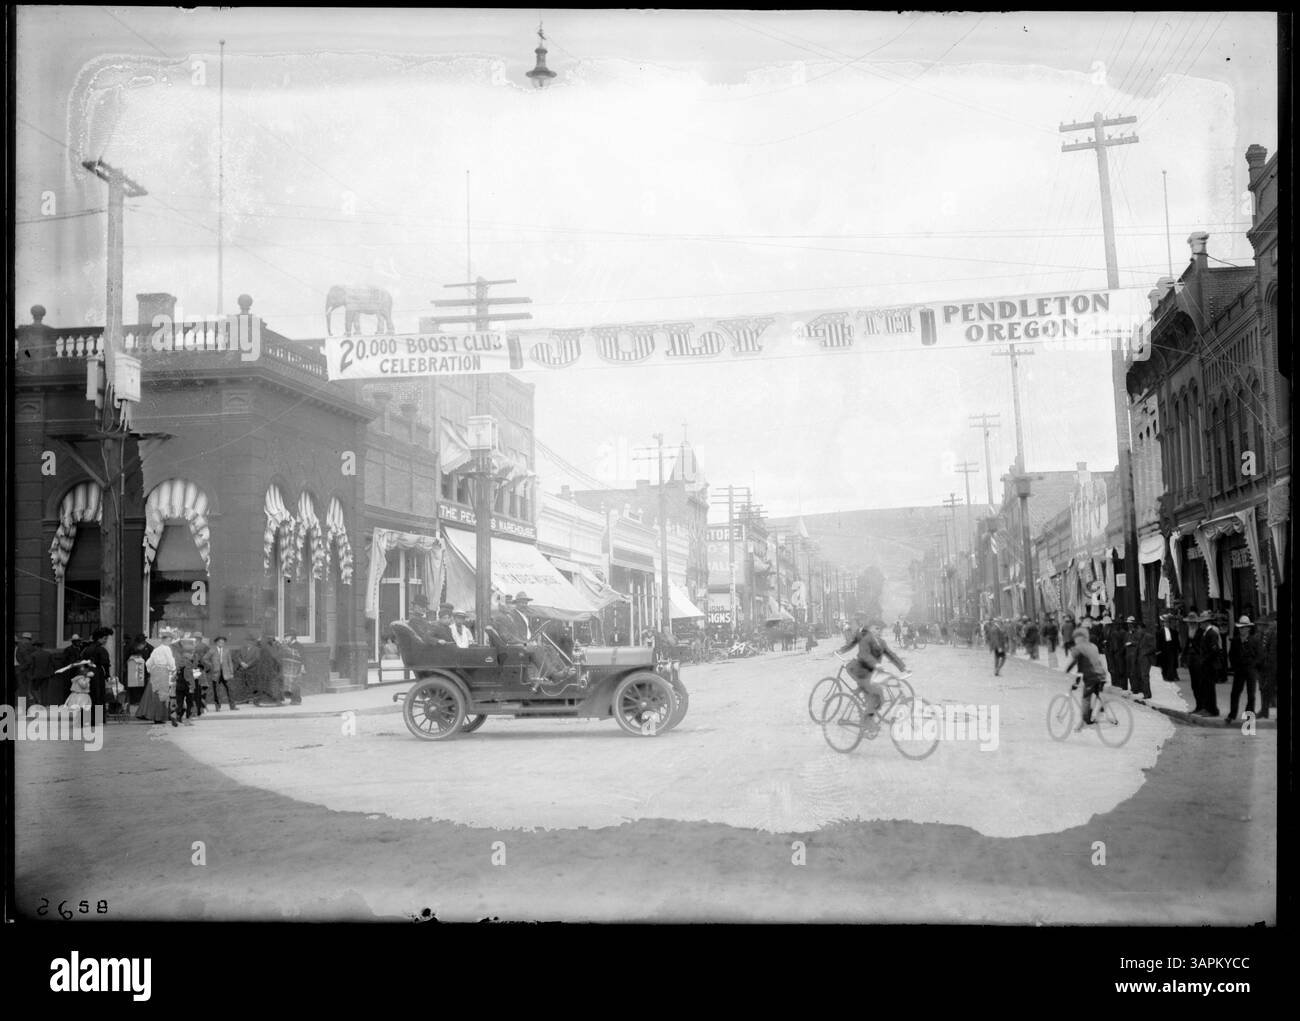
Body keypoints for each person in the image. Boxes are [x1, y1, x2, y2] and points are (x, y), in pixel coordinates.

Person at [835, 619, 908, 725]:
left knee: (878, 695)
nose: (879, 631)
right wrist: (876, 664)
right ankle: (866, 721)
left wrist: (903, 667)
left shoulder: (881, 642)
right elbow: (864, 655)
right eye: (876, 628)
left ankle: (867, 714)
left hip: (871, 672)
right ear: (870, 629)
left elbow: (891, 655)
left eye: (880, 629)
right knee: (875, 695)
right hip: (860, 670)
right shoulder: (865, 639)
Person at [1064, 626, 1110, 728]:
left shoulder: (1078, 648)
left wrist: (1072, 676)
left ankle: (1086, 720)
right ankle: (1100, 709)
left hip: (1091, 676)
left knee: (1086, 698)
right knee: (1096, 693)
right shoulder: (1093, 646)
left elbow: (1079, 665)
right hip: (1101, 674)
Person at [1225, 615, 1263, 725]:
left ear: (1249, 628)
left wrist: (1253, 665)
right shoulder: (1235, 641)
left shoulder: (1254, 640)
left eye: (1245, 627)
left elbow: (1260, 655)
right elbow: (1231, 655)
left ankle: (1249, 715)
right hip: (1239, 670)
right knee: (1235, 693)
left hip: (1251, 670)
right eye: (1241, 627)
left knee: (1251, 694)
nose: (1242, 629)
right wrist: (1235, 666)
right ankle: (1232, 715)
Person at [138, 630, 177, 724]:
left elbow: (148, 662)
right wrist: (173, 669)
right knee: (162, 695)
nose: (170, 642)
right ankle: (159, 717)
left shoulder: (156, 649)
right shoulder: (167, 649)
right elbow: (171, 661)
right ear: (167, 640)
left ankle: (153, 715)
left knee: (153, 694)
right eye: (170, 640)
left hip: (155, 672)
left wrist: (150, 670)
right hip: (163, 671)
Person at [1184, 611, 1219, 718]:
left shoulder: (1206, 633)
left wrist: (1203, 660)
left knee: (1205, 687)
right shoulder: (1195, 632)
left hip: (1203, 662)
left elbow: (1212, 650)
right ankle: (1200, 706)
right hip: (1195, 661)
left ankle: (1209, 708)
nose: (1192, 624)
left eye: (1196, 622)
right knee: (1196, 685)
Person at [206, 636, 238, 711]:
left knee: (230, 689)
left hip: (226, 673)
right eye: (220, 642)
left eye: (223, 642)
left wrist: (231, 672)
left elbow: (230, 662)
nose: (222, 643)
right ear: (216, 643)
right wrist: (211, 665)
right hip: (216, 673)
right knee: (216, 690)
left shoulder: (227, 650)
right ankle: (217, 707)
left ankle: (232, 706)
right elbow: (205, 659)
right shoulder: (212, 650)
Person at [1131, 621, 1155, 705]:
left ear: (1143, 629)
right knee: (1142, 676)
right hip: (1140, 659)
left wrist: (1144, 652)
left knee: (1145, 676)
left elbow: (1153, 647)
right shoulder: (1140, 637)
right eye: (1138, 629)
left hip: (1146, 659)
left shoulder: (1149, 636)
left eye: (1139, 628)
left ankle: (1147, 694)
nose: (1138, 630)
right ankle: (1145, 693)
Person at [1155, 613, 1181, 681]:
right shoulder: (1159, 632)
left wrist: (1179, 650)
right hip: (1163, 650)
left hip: (1171, 649)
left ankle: (1171, 676)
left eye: (1167, 622)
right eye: (1165, 622)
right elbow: (1158, 642)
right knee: (1164, 664)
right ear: (1163, 623)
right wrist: (1158, 650)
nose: (1166, 623)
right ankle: (1165, 675)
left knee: (1172, 663)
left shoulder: (1174, 632)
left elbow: (1176, 642)